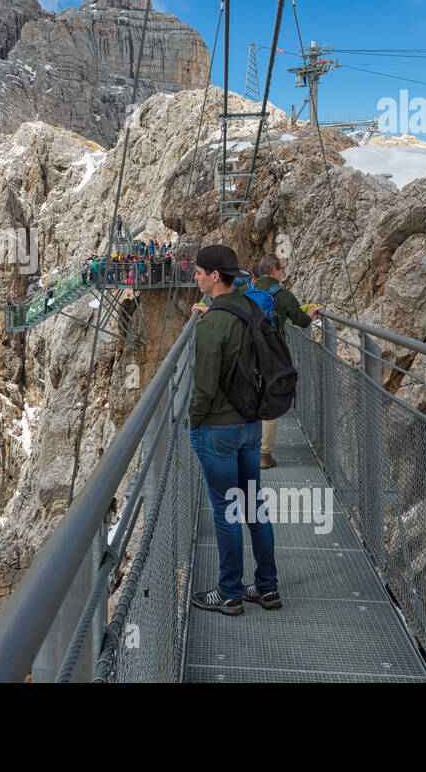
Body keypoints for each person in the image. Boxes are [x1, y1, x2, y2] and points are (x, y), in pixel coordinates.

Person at [188, 244, 280, 616]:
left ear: (214, 276)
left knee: (226, 509)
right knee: (254, 506)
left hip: (219, 431)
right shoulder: (250, 308)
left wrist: (193, 422)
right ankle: (267, 588)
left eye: (198, 272)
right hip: (250, 427)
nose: (194, 276)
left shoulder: (212, 323)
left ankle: (230, 593)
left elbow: (205, 388)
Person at [252, 253, 321, 469]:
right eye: (282, 269)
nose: (283, 272)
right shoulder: (283, 295)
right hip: (273, 355)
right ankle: (264, 455)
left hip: (248, 353)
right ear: (274, 271)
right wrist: (311, 312)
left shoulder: (246, 292)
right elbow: (300, 321)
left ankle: (249, 449)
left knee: (251, 397)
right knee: (269, 401)